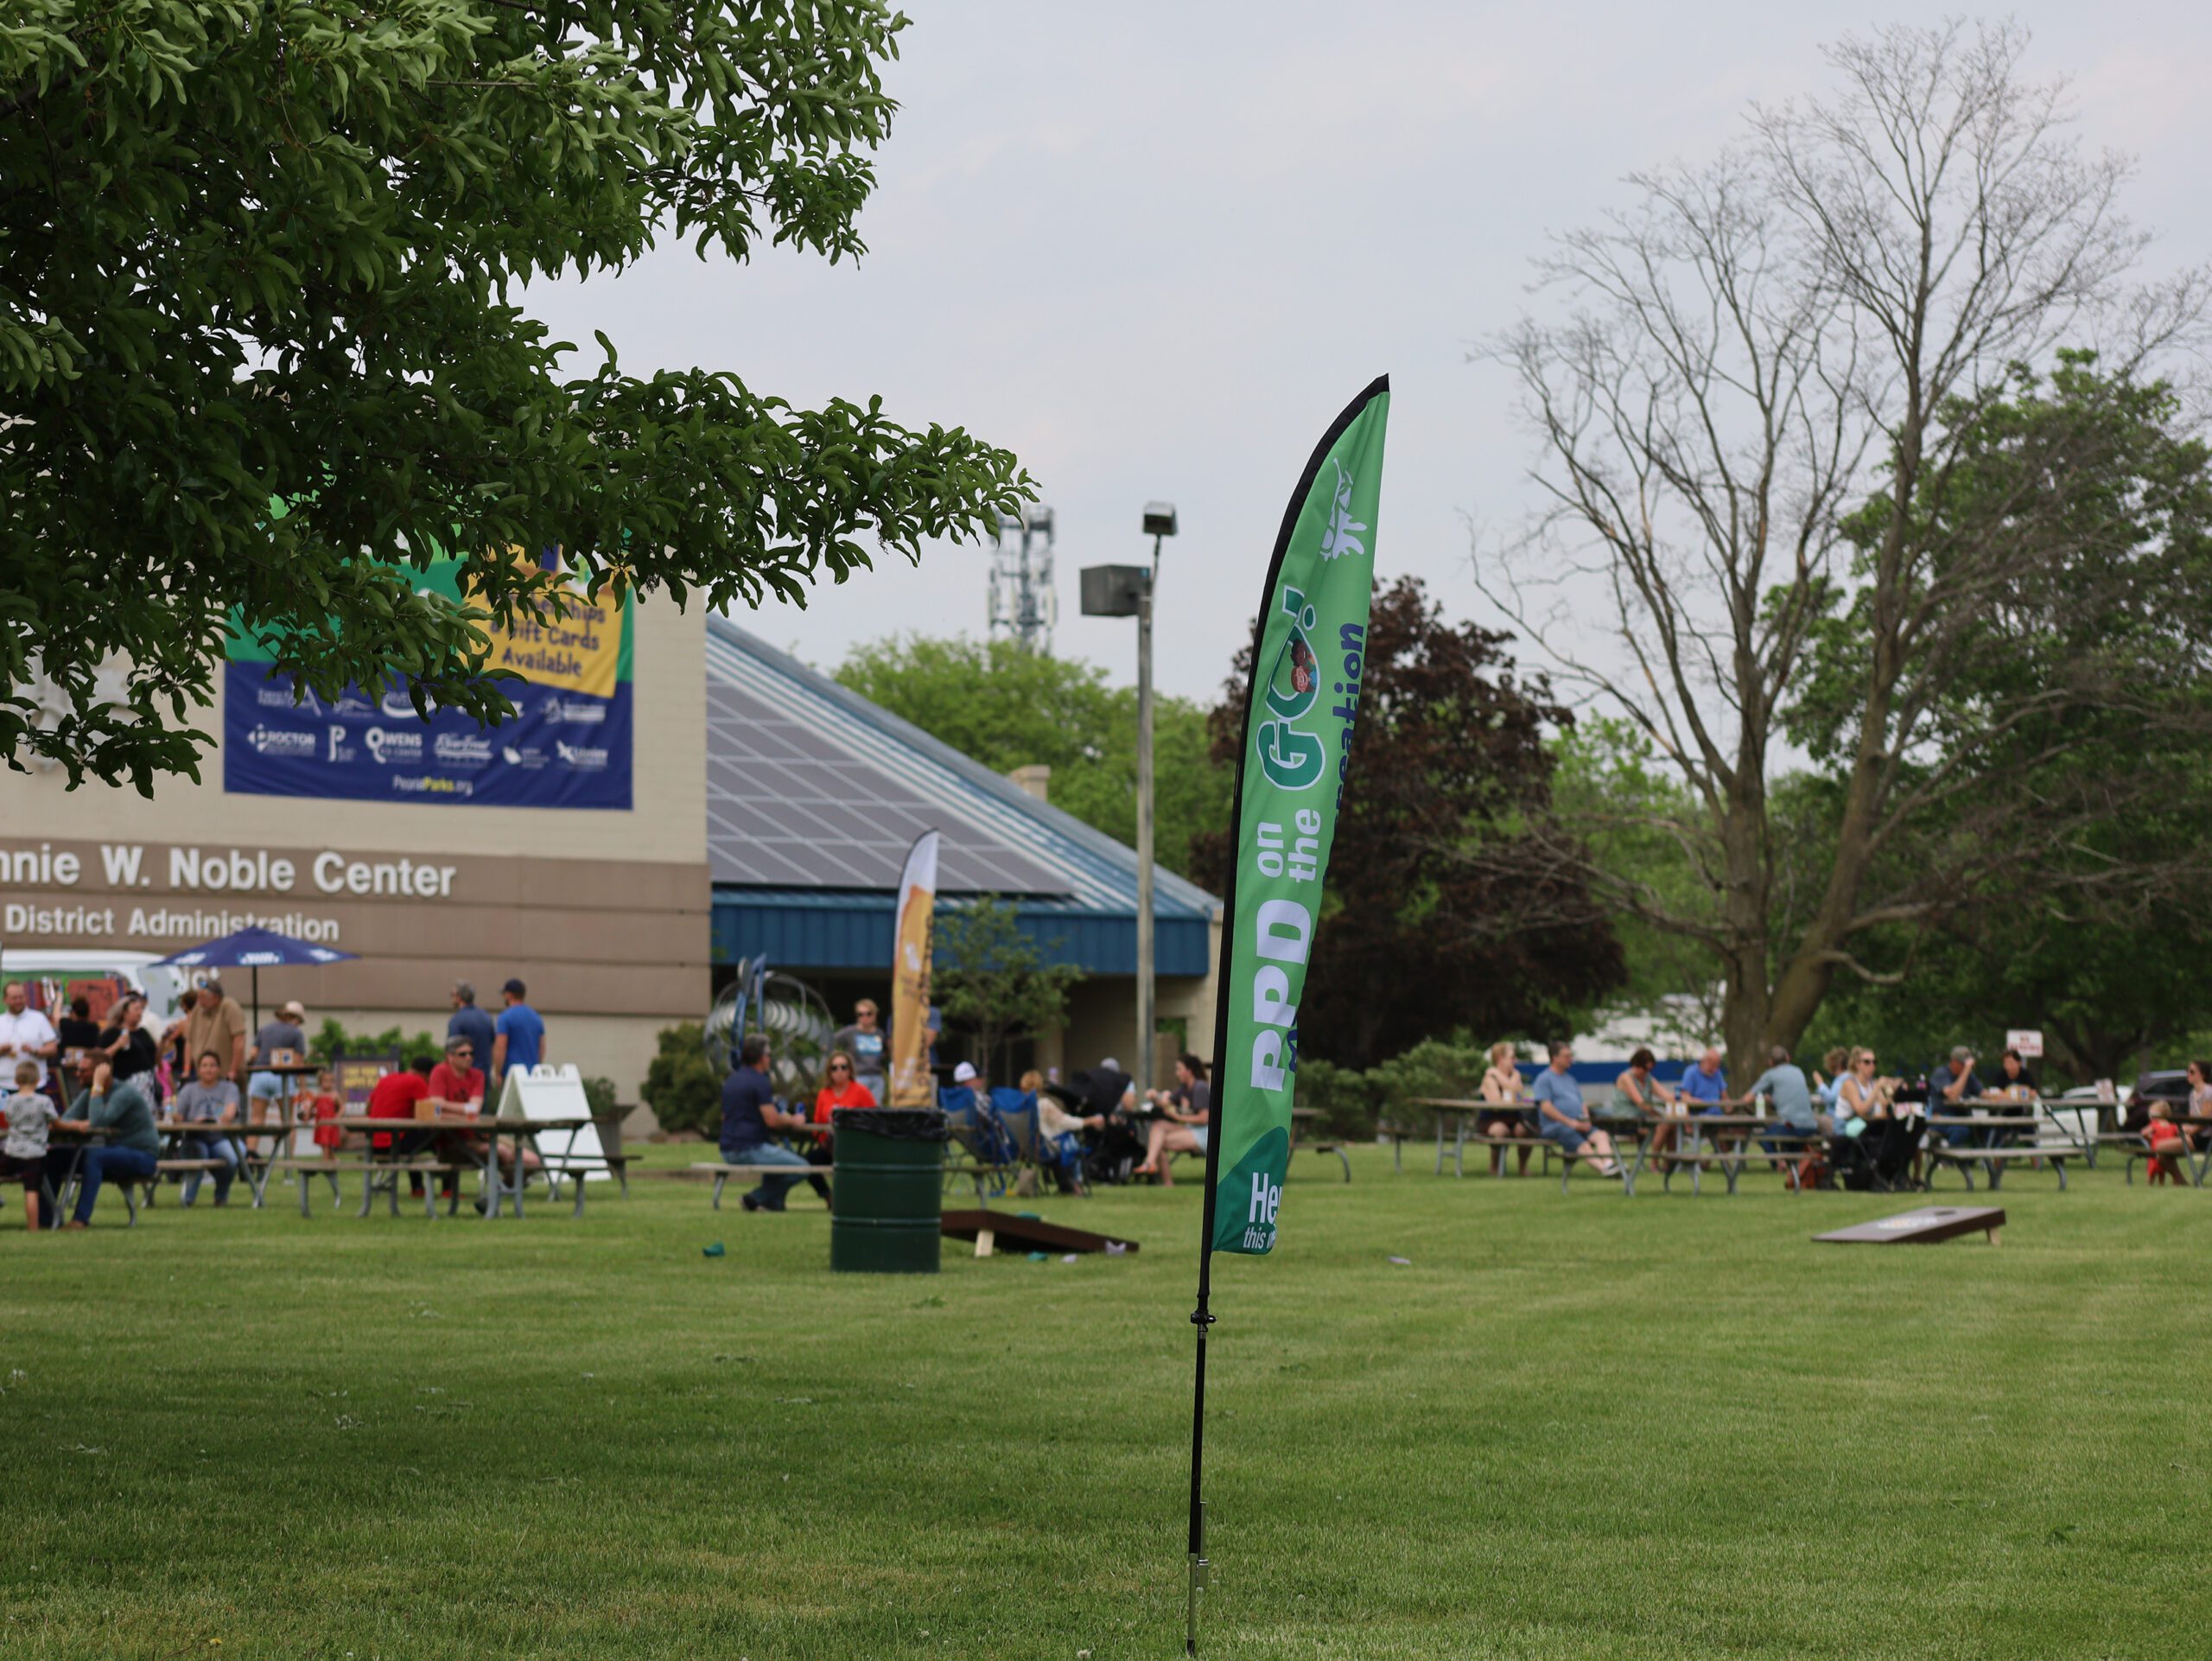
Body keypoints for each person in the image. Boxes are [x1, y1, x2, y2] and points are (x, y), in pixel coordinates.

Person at [53, 1055, 159, 1228]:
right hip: (114, 1153)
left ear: (102, 1073)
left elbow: (98, 1121)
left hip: (143, 1156)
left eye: (83, 1070)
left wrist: (97, 1087)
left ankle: (80, 1220)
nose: (77, 1074)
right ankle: (44, 1220)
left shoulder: (125, 1093)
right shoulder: (89, 1093)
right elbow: (65, 1120)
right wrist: (79, 1122)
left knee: (95, 1156)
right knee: (57, 1156)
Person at [718, 1034, 816, 1212]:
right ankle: (756, 1197)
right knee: (803, 1168)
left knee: (774, 1156)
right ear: (762, 1057)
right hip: (749, 1148)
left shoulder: (732, 1080)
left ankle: (773, 1204)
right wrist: (793, 1120)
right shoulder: (760, 1081)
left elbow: (725, 1117)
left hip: (727, 1149)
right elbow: (772, 1120)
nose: (770, 1059)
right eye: (769, 1055)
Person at [1530, 1041, 1621, 1178]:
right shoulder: (1544, 1079)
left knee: (1601, 1135)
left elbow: (1581, 1102)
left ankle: (1609, 1165)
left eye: (1571, 1056)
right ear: (1554, 1058)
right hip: (1555, 1126)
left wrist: (1585, 1120)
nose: (1570, 1059)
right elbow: (1546, 1108)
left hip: (1578, 1123)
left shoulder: (1570, 1079)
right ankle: (1604, 1169)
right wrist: (1571, 1123)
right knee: (1580, 1142)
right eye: (1566, 1056)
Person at [170, 1049, 243, 1206]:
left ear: (219, 1069)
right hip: (194, 1137)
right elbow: (178, 1116)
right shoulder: (189, 1089)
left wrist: (223, 1117)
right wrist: (175, 1114)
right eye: (204, 1066)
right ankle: (188, 1199)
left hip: (221, 1137)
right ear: (198, 1069)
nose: (208, 1069)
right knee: (198, 1153)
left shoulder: (229, 1088)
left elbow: (230, 1113)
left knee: (231, 1157)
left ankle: (221, 1197)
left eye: (212, 1065)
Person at [1133, 1054, 1212, 1186]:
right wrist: (1154, 1097)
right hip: (1191, 1129)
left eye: (1179, 1069)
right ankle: (1151, 1164)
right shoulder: (1184, 1088)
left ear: (1189, 1071)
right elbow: (1165, 1103)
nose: (1177, 1073)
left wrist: (1177, 1117)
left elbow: (1204, 1118)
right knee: (1158, 1125)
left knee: (1159, 1142)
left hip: (1204, 1134)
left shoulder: (1200, 1087)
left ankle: (1164, 1179)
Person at [2, 1059, 57, 1231]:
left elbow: (9, 1119)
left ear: (16, 1081)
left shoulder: (10, 1100)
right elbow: (55, 1120)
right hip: (35, 1153)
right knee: (31, 1191)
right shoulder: (44, 1101)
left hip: (12, 1150)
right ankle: (33, 1228)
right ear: (38, 1080)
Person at [1747, 1045, 1826, 1162]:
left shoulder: (1771, 1074)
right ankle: (1791, 1167)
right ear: (1787, 1058)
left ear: (1770, 1062)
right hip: (1810, 1126)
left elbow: (1747, 1098)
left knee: (1764, 1138)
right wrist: (1773, 1100)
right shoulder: (1798, 1071)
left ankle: (1779, 1163)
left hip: (1792, 1127)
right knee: (1787, 1141)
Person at [1614, 1047, 1680, 1171]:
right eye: (1644, 1069)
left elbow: (1666, 1096)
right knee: (1664, 1124)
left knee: (1673, 1124)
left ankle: (1669, 1164)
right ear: (1636, 1065)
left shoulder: (1648, 1078)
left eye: (1650, 1069)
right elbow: (1641, 1103)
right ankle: (1654, 1163)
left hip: (1644, 1117)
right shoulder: (1626, 1077)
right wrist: (1659, 1116)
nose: (1646, 1072)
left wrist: (1681, 1096)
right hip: (1627, 1119)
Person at [247, 998, 307, 1129]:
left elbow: (253, 1054)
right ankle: (287, 1149)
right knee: (287, 1121)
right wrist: (303, 1089)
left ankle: (251, 1149)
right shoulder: (296, 1032)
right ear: (296, 1018)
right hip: (283, 1077)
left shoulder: (264, 1029)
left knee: (257, 1119)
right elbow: (298, 1063)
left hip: (259, 1075)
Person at [1478, 1041, 1534, 1176]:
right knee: (1500, 1131)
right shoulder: (1490, 1077)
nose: (1516, 1061)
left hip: (1514, 1118)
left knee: (1525, 1130)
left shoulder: (1515, 1075)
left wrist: (1511, 1081)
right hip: (1492, 1119)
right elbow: (1496, 1105)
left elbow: (1520, 1096)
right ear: (1500, 1059)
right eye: (1512, 1057)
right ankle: (1495, 1166)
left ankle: (1523, 1167)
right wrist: (1510, 1083)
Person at [184, 976, 249, 1088]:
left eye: (202, 997)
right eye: (198, 998)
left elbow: (239, 1040)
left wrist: (233, 1070)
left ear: (215, 997)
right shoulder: (197, 1010)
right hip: (203, 1076)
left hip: (226, 1075)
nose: (199, 1002)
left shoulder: (229, 1007)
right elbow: (189, 1042)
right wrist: (187, 1070)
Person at [0, 981, 60, 1099]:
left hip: (34, 1085)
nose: (18, 1001)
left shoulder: (39, 1019)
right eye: (14, 998)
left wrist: (35, 1051)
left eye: (21, 997)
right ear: (5, 1000)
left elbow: (53, 1048)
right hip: (4, 1085)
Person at [490, 978, 546, 1094]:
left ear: (509, 995)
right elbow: (541, 1049)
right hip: (532, 1075)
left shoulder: (505, 1017)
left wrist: (498, 1072)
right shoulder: (536, 1017)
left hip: (512, 1074)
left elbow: (500, 1047)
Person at [99, 996, 161, 1100]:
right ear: (124, 1013)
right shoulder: (112, 1033)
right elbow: (100, 1058)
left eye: (141, 1009)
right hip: (125, 1082)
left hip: (147, 1081)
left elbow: (154, 1056)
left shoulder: (143, 1032)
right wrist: (117, 1045)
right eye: (136, 1009)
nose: (140, 1012)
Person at [1928, 1046, 1986, 1148]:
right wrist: (1966, 1071)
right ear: (1954, 1062)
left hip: (1962, 1117)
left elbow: (1983, 1093)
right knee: (1962, 1130)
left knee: (1984, 1128)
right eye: (1964, 1064)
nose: (1966, 1067)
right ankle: (1945, 1156)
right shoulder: (1941, 1073)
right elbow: (1953, 1097)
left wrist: (2006, 1095)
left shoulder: (1969, 1075)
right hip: (1941, 1118)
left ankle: (1971, 1162)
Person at [831, 999, 890, 1100]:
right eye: (861, 1014)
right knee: (856, 1108)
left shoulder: (880, 1033)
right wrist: (838, 1058)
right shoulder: (850, 1032)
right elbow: (830, 1041)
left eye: (868, 1014)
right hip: (858, 1077)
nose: (865, 1017)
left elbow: (887, 1050)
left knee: (874, 1110)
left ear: (875, 1015)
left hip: (877, 1077)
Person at [308, 1067, 346, 1202]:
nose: (328, 1084)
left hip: (330, 1123)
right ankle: (333, 1159)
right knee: (325, 1144)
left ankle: (325, 1163)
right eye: (325, 1081)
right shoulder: (318, 1095)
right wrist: (308, 1115)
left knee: (327, 1143)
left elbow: (342, 1107)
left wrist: (337, 1117)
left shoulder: (335, 1095)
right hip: (321, 1122)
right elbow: (311, 1107)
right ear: (320, 1082)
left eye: (331, 1081)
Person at [447, 982, 497, 1079]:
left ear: (459, 997)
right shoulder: (486, 1017)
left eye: (452, 995)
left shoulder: (457, 1020)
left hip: (464, 1075)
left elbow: (452, 1050)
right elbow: (493, 1044)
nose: (451, 998)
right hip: (484, 1073)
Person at [55, 996, 103, 1074]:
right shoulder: (94, 1027)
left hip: (67, 1066)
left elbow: (56, 1017)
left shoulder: (67, 1024)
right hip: (86, 1067)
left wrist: (59, 998)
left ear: (73, 1012)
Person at [1679, 1047, 1729, 1113]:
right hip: (1698, 1118)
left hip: (1717, 1117)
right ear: (1703, 1061)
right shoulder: (1691, 1072)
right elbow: (1684, 1096)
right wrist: (1697, 1102)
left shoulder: (1717, 1073)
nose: (1715, 1070)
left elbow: (1725, 1097)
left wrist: (1731, 1110)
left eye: (1717, 1066)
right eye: (1712, 1065)